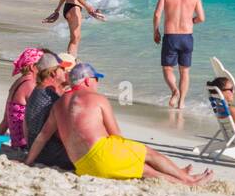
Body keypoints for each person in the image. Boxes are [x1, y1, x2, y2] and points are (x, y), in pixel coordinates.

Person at [27, 63, 211, 185]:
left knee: (145, 170)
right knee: (147, 152)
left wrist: (27, 162)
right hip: (101, 156)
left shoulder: (58, 104)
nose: (97, 83)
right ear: (87, 80)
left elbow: (42, 137)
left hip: (82, 166)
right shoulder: (96, 98)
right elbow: (116, 135)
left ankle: (179, 174)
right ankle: (188, 180)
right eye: (96, 79)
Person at [152, 0, 205, 108]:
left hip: (171, 36)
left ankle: (175, 91)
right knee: (185, 71)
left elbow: (157, 14)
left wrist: (156, 31)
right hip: (187, 37)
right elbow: (201, 18)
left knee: (168, 68)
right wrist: (191, 21)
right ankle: (181, 103)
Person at [23, 50, 73, 170]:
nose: (65, 72)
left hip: (38, 151)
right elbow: (61, 133)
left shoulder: (37, 91)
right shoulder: (51, 98)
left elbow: (25, 125)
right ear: (53, 73)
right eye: (62, 69)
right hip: (52, 155)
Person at [0, 47, 43, 149]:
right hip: (25, 144)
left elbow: (6, 120)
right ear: (32, 66)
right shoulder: (30, 85)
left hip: (17, 142)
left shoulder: (18, 82)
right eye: (42, 66)